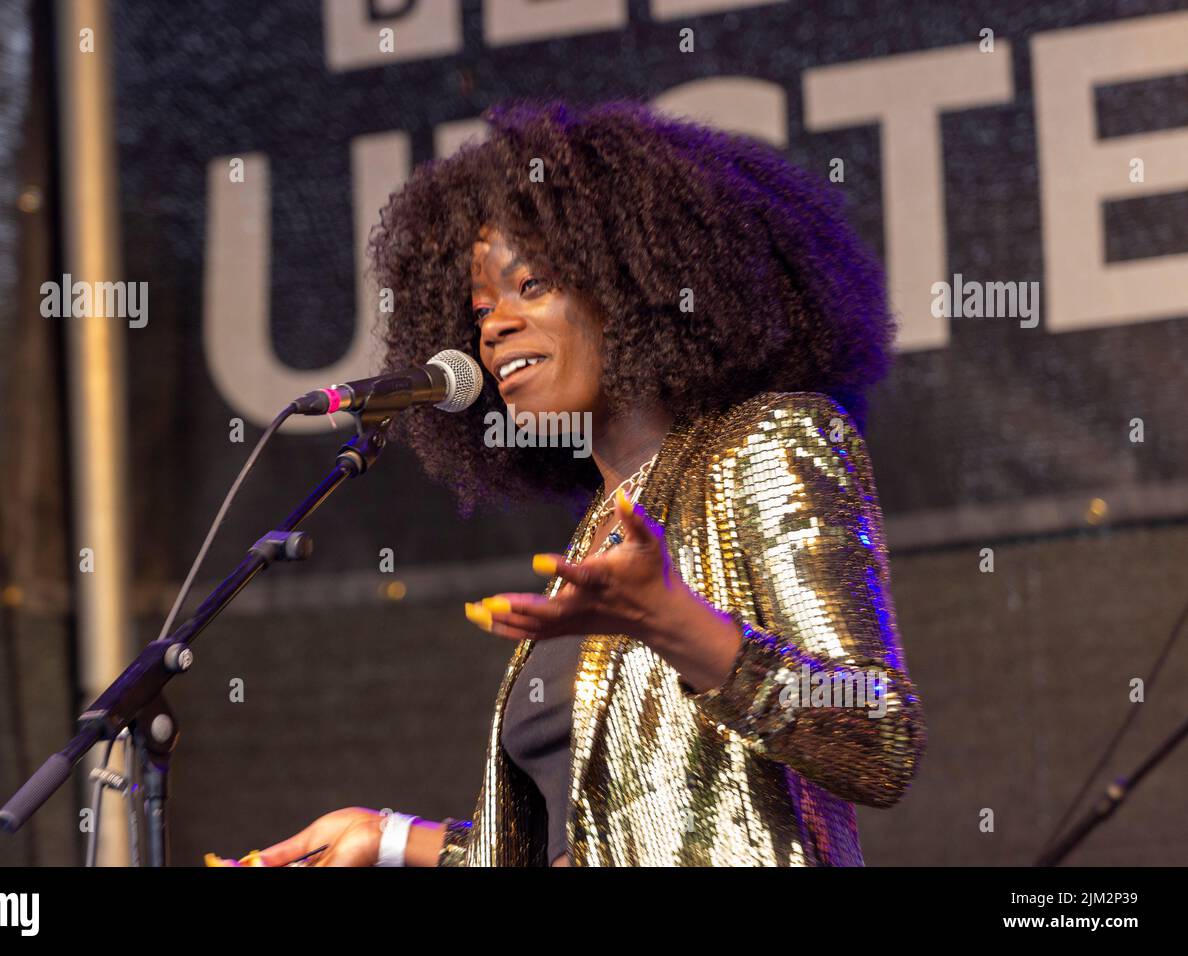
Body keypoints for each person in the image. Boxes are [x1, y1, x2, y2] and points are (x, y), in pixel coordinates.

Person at [248, 100, 925, 867]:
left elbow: (880, 734)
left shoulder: (767, 442)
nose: (493, 327)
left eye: (531, 285)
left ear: (635, 282)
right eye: (479, 311)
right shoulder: (597, 528)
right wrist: (392, 842)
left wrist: (680, 627)